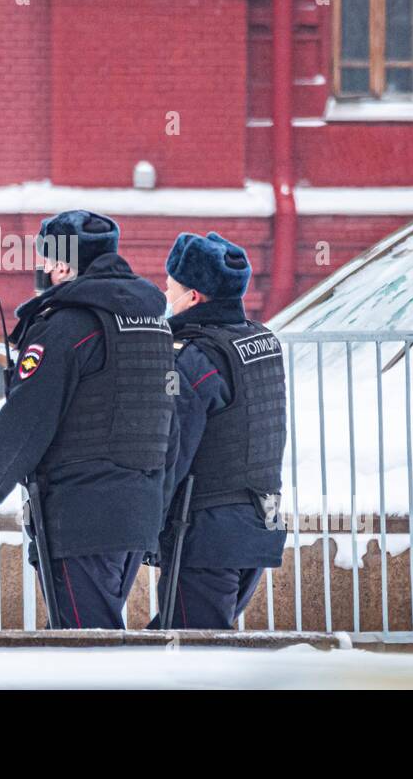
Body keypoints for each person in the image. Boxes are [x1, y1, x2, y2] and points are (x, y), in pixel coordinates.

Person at [0, 210, 175, 629]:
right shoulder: (154, 326)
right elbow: (171, 424)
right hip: (137, 512)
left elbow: (24, 424)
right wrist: (159, 510)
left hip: (81, 515)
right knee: (101, 643)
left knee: (88, 652)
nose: (43, 268)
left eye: (47, 259)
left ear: (62, 264)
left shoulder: (65, 328)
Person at [149, 231, 288, 630]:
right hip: (258, 524)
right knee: (190, 638)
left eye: (170, 283)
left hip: (206, 533)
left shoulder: (194, 357)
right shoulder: (261, 341)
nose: (165, 289)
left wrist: (146, 526)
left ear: (193, 296)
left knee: (193, 653)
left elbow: (172, 451)